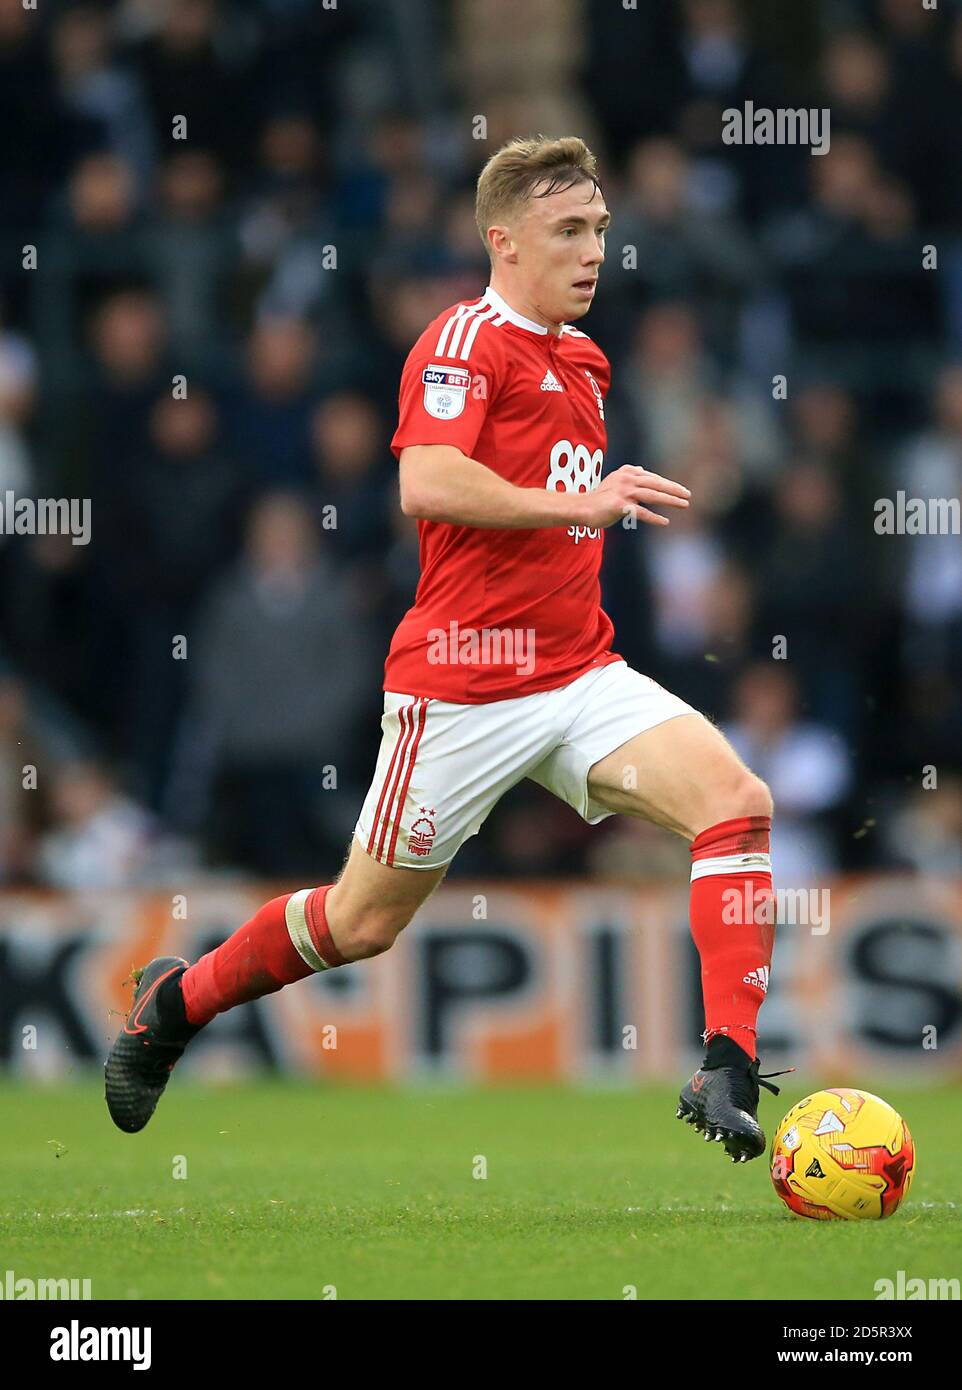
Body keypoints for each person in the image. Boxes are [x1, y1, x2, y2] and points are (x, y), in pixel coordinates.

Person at [106, 136, 787, 1161]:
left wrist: (589, 510)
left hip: (577, 673)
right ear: (502, 242)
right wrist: (582, 501)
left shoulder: (585, 359)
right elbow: (427, 482)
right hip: (462, 687)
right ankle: (178, 1000)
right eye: (568, 229)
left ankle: (726, 1061)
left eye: (599, 227)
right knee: (359, 920)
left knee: (736, 803)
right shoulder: (462, 341)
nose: (593, 248)